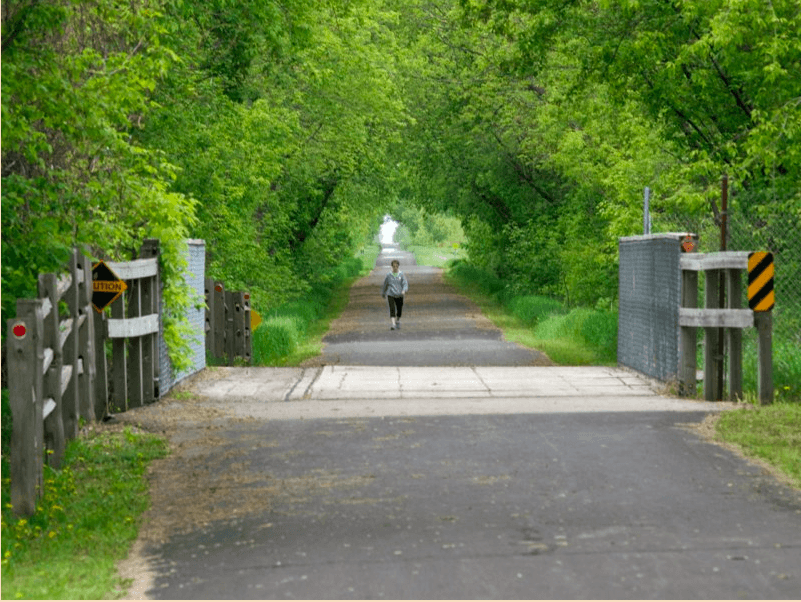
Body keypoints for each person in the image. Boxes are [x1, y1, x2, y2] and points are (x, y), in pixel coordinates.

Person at [381, 259, 408, 330]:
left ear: (398, 266)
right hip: (391, 294)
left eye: (396, 266)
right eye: (393, 266)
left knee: (399, 309)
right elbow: (385, 285)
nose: (395, 268)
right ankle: (393, 324)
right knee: (392, 308)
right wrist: (384, 293)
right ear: (391, 267)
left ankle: (398, 320)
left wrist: (404, 290)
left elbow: (405, 283)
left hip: (399, 294)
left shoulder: (401, 274)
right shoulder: (388, 275)